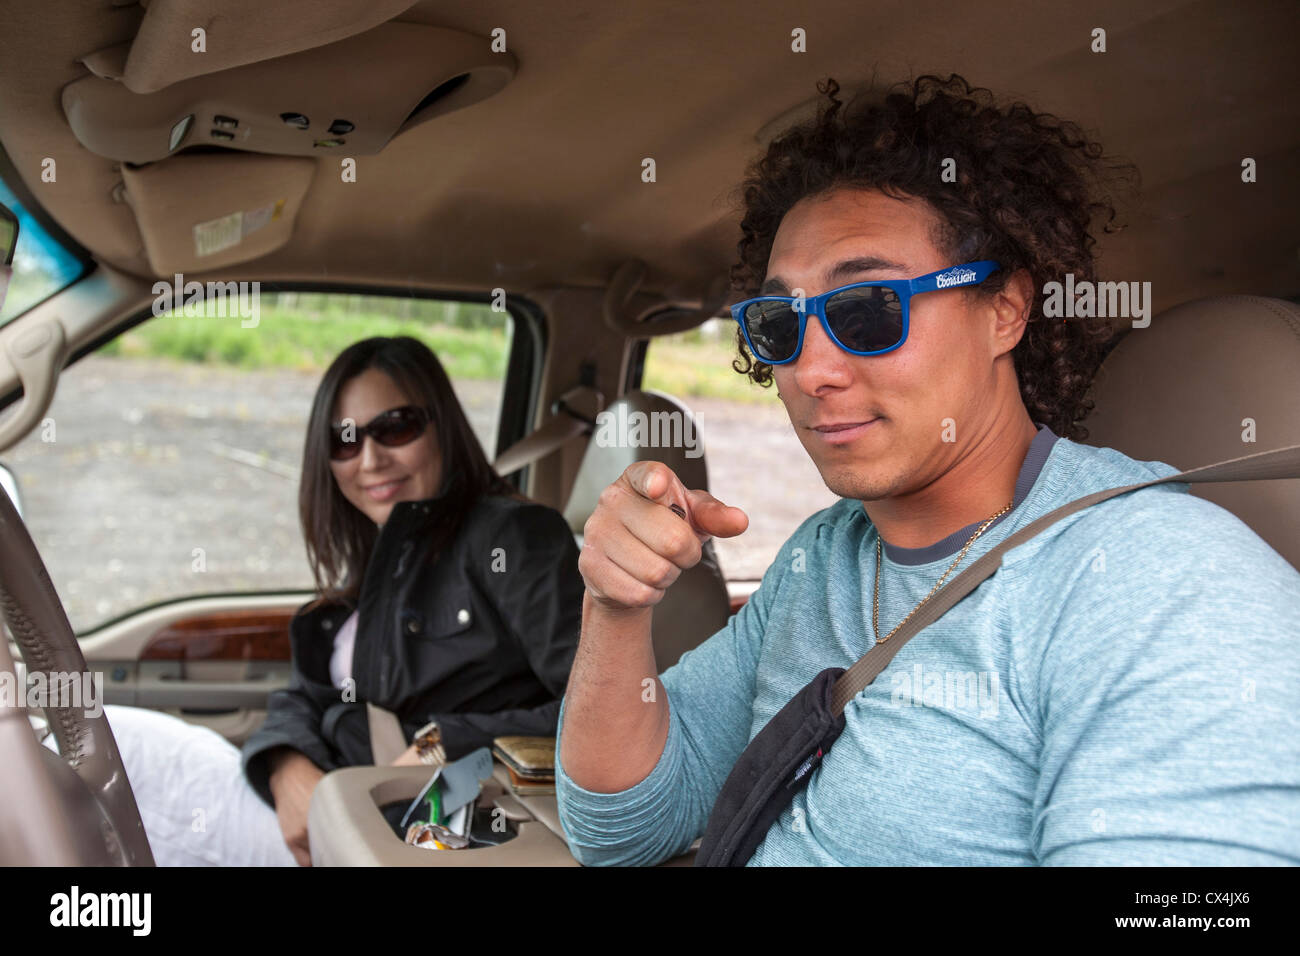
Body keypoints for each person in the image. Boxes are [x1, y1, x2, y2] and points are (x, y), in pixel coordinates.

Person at [555, 75, 1300, 865]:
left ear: (1006, 309)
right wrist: (615, 604)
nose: (812, 372)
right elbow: (622, 830)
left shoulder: (1163, 584)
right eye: (779, 325)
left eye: (868, 310)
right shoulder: (820, 558)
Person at [86, 336, 583, 866]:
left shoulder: (511, 536)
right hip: (342, 809)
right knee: (104, 743)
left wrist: (444, 744)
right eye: (345, 439)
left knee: (118, 749)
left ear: (444, 426)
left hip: (419, 827)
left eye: (396, 427)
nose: (369, 459)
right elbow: (305, 694)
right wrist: (285, 767)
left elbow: (596, 711)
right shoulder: (383, 553)